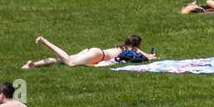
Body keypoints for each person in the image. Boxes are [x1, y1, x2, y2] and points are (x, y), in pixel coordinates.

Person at [23, 34, 154, 69]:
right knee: (71, 63)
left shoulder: (121, 47)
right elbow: (146, 56)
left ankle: (33, 65)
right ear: (137, 44)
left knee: (61, 60)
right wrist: (152, 55)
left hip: (95, 51)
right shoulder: (132, 49)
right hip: (98, 55)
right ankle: (44, 41)